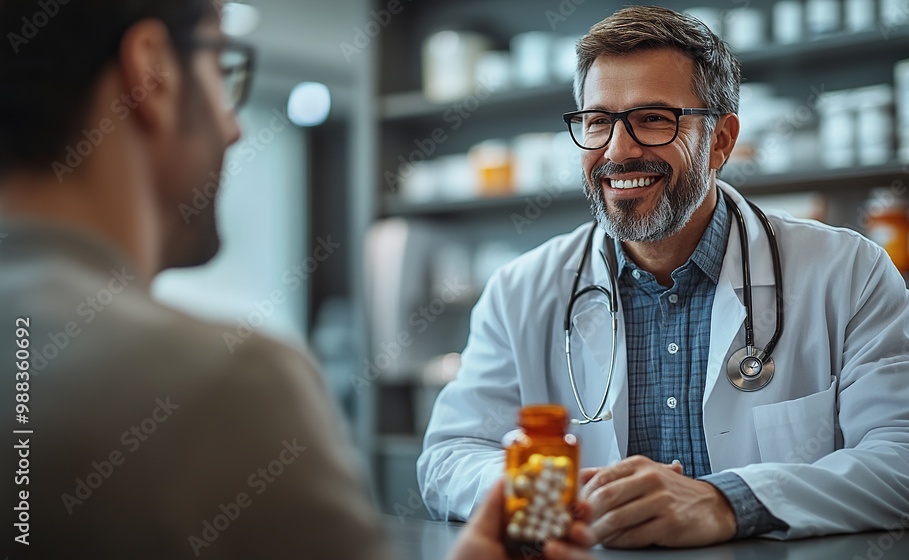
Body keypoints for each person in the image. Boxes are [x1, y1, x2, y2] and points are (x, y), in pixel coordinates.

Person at [0, 1, 595, 558]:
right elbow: (449, 454)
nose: (233, 128)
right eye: (221, 69)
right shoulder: (226, 382)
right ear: (152, 72)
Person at [418, 5, 909, 548]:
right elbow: (448, 455)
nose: (617, 150)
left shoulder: (847, 270)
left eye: (653, 119)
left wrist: (730, 502)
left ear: (723, 141)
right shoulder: (521, 290)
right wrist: (548, 495)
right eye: (597, 121)